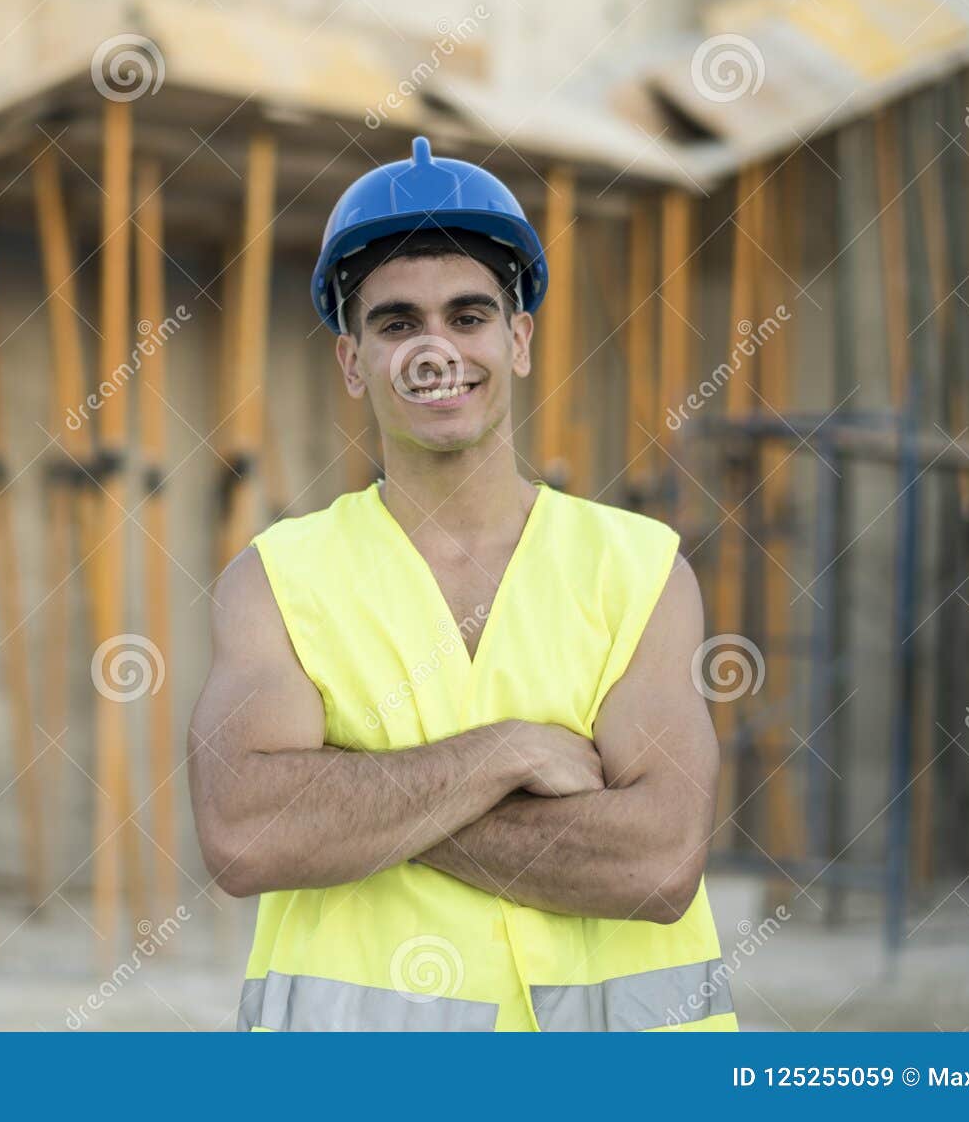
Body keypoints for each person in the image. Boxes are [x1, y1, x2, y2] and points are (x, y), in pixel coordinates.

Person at [187, 137, 735, 1031]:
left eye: (469, 316)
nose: (436, 350)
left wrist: (350, 807)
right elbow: (247, 837)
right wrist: (503, 756)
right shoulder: (278, 581)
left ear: (518, 340)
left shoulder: (639, 571)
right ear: (352, 361)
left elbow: (659, 864)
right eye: (398, 324)